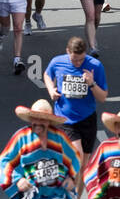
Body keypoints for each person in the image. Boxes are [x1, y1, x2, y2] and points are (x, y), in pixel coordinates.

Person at [43, 36, 108, 164]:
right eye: (74, 60)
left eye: (81, 59)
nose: (78, 63)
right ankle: (69, 182)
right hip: (65, 119)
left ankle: (78, 184)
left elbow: (102, 97)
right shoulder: (57, 62)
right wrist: (51, 90)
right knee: (77, 156)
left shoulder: (95, 66)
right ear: (68, 51)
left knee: (84, 164)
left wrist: (91, 83)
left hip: (87, 118)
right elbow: (47, 74)